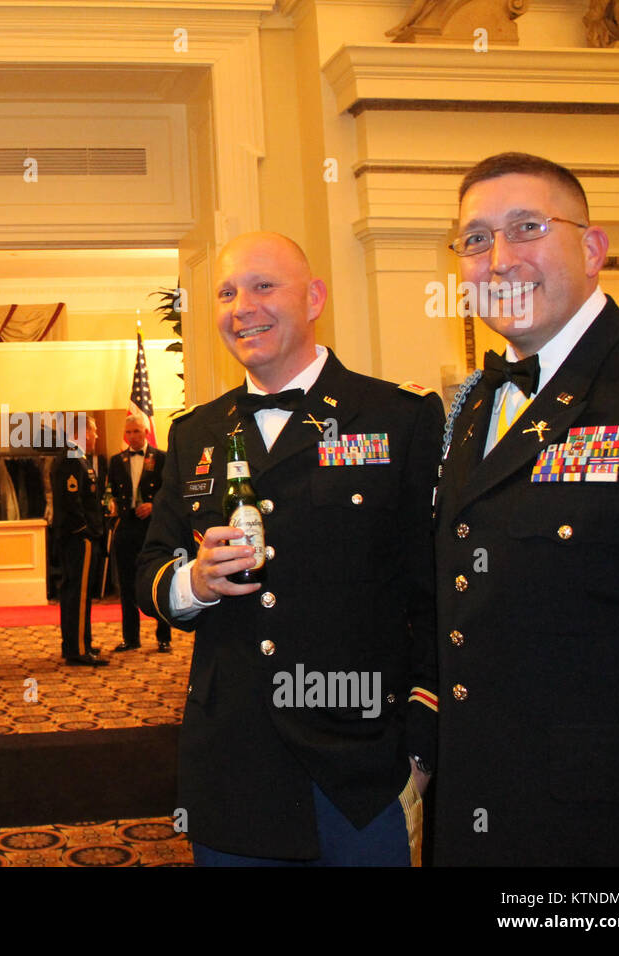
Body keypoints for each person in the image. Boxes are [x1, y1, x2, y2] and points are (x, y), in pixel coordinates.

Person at [137, 232, 442, 865]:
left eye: (263, 286)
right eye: (225, 292)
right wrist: (191, 582)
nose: (241, 306)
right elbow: (147, 573)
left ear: (315, 298)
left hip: (360, 760)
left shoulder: (396, 416)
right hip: (234, 763)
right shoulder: (195, 431)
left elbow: (435, 588)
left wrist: (421, 735)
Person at [435, 152, 619, 866]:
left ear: (593, 248)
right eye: (475, 239)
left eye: (526, 227)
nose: (499, 258)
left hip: (613, 827)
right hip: (484, 811)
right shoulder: (474, 404)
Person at [107, 414, 171, 652]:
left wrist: (155, 505)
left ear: (146, 432)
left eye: (136, 431)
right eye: (129, 432)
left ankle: (163, 637)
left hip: (152, 526)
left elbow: (170, 491)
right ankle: (130, 638)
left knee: (158, 579)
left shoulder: (161, 458)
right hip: (127, 525)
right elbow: (111, 490)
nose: (132, 436)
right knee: (126, 584)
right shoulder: (116, 461)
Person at [51, 416, 107, 666]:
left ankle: (76, 643)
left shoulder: (77, 456)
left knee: (76, 593)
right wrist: (86, 530)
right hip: (78, 538)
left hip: (79, 537)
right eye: (93, 431)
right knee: (79, 593)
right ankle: (78, 649)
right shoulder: (72, 457)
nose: (96, 436)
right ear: (82, 432)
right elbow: (72, 502)